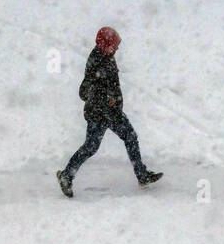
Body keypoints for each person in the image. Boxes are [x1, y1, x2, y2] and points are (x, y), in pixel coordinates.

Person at [56, 27, 162, 197]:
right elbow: (84, 91)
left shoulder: (105, 57)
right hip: (103, 113)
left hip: (106, 112)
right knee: (117, 140)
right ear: (105, 45)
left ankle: (67, 175)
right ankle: (67, 176)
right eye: (114, 45)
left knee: (105, 143)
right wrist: (107, 99)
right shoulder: (98, 61)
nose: (117, 48)